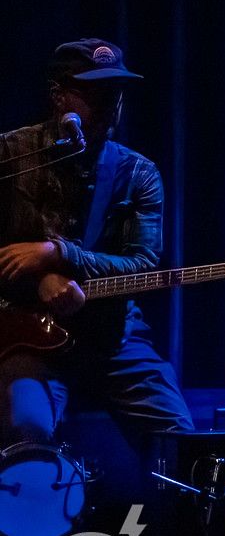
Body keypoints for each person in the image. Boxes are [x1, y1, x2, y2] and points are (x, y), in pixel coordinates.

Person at [0, 38, 192, 457]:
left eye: (116, 95)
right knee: (27, 432)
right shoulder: (12, 154)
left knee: (179, 443)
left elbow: (142, 265)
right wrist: (41, 281)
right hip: (24, 339)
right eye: (94, 94)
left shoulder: (137, 173)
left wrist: (59, 256)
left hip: (113, 336)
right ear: (58, 97)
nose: (109, 105)